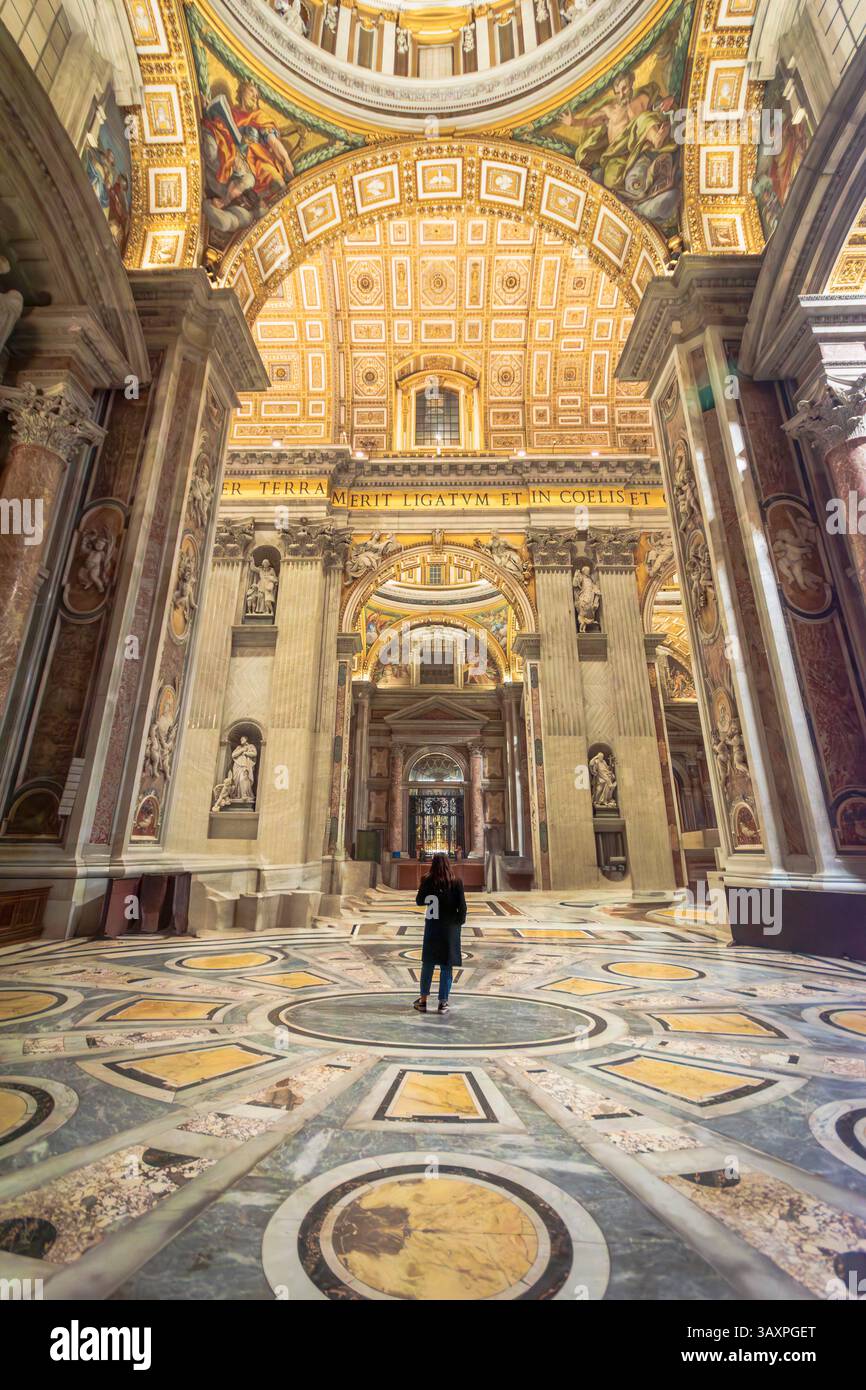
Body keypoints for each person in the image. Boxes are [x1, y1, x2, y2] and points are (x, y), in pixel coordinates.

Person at [413, 853, 466, 1015]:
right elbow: (462, 907)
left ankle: (423, 1001)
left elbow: (419, 901)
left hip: (432, 927)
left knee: (428, 963)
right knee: (446, 965)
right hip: (449, 928)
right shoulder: (456, 882)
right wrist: (457, 924)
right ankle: (443, 1002)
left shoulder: (427, 880)